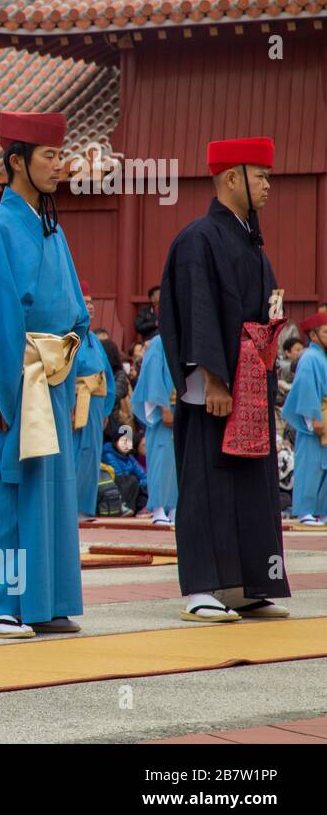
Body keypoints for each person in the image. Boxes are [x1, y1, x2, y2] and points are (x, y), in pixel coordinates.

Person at [0, 111, 87, 639]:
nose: (57, 164)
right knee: (0, 486)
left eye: (57, 154)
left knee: (44, 486)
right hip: (9, 376)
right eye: (48, 156)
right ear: (16, 161)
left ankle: (41, 600)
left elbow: (76, 312)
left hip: (50, 376)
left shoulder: (53, 230)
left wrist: (70, 358)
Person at [157, 136, 290, 623]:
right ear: (232, 177)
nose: (269, 185)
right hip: (214, 386)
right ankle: (202, 587)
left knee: (250, 483)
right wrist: (212, 378)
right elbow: (195, 310)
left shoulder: (251, 241)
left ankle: (246, 583)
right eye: (262, 176)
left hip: (249, 383)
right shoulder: (198, 238)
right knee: (206, 482)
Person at [72, 284, 116, 522]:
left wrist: (107, 406)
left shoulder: (94, 340)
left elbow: (106, 374)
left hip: (96, 402)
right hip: (77, 401)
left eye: (91, 302)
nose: (89, 306)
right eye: (85, 302)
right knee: (76, 452)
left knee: (92, 453)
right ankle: (71, 508)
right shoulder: (70, 336)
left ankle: (86, 507)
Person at [282, 312, 327, 527]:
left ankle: (321, 510)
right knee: (310, 464)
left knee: (324, 466)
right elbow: (307, 388)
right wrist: (313, 419)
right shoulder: (309, 357)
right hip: (316, 416)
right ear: (314, 335)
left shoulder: (322, 357)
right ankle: (305, 510)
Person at [131, 334, 179, 525]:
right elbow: (153, 376)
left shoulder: (187, 338)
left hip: (183, 406)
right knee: (161, 455)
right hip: (165, 407)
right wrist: (163, 407)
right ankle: (158, 508)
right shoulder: (160, 342)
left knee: (177, 460)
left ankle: (174, 508)